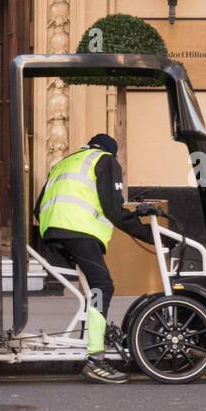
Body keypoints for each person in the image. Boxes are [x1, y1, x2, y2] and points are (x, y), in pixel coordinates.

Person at [34, 131, 154, 385]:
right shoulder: (106, 160)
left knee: (92, 286)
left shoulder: (66, 162)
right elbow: (113, 209)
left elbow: (37, 207)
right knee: (102, 286)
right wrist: (149, 236)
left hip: (54, 232)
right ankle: (95, 358)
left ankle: (91, 336)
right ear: (112, 151)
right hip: (79, 231)